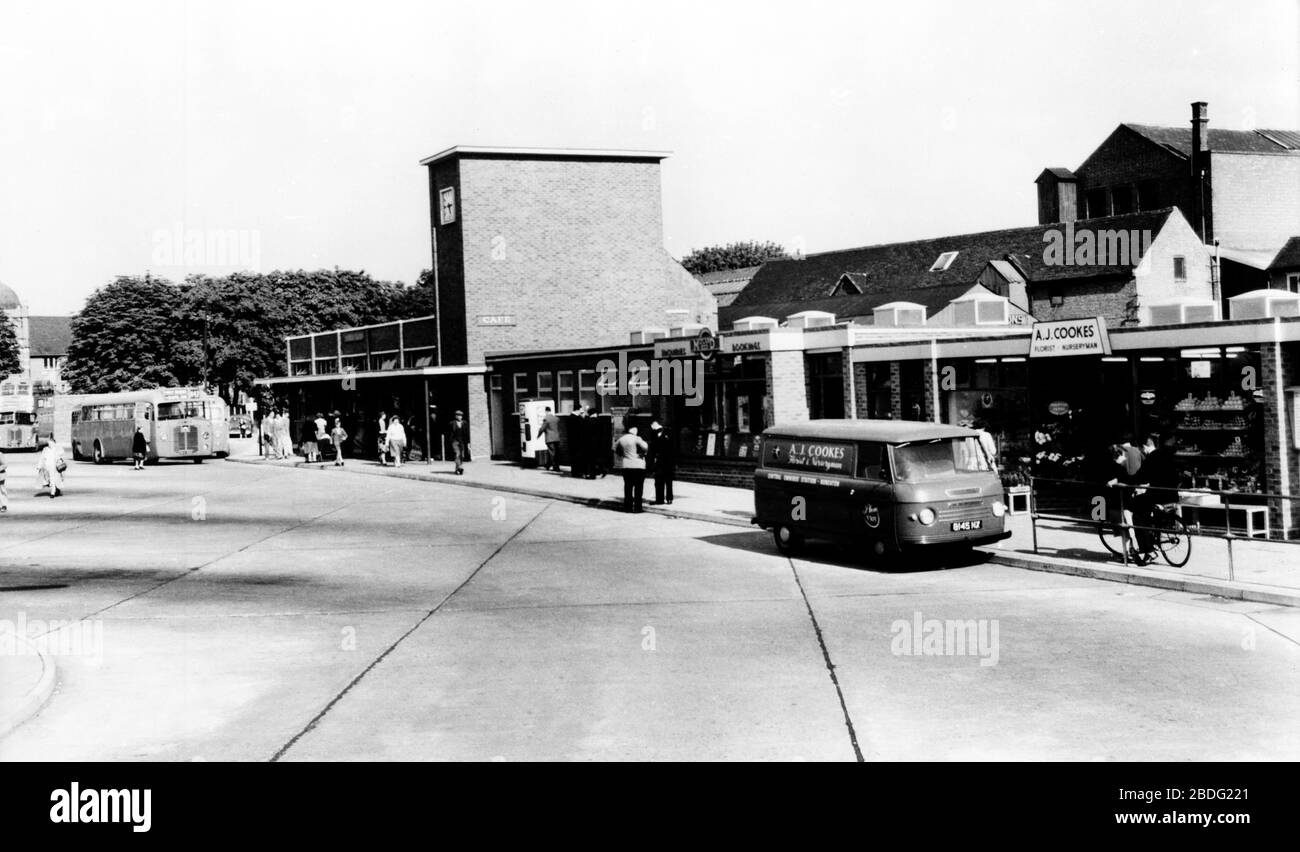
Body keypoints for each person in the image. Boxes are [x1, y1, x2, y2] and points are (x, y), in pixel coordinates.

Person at [1105, 443, 1146, 563]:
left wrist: (1115, 481)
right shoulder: (1124, 463)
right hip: (1128, 496)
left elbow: (1124, 479)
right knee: (1128, 527)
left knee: (1126, 528)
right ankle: (1129, 552)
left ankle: (1130, 553)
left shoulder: (1117, 465)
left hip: (1122, 499)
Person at [615, 425, 649, 513]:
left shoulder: (622, 439)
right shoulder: (637, 438)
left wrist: (623, 455)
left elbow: (615, 448)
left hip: (626, 465)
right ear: (635, 431)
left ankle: (628, 507)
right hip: (638, 465)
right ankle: (638, 508)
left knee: (628, 487)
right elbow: (645, 447)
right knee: (638, 488)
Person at [647, 420, 676, 505]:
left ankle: (660, 499)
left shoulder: (655, 434)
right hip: (669, 462)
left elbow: (653, 449)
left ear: (654, 424)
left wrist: (651, 462)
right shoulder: (669, 432)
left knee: (659, 481)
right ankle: (669, 498)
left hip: (660, 461)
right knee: (668, 481)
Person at [567, 407, 589, 478]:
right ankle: (578, 472)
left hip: (571, 441)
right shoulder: (577, 418)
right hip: (578, 441)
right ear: (578, 410)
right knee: (578, 457)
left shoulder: (569, 417)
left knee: (573, 457)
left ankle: (574, 472)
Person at [539, 406, 560, 472]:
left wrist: (538, 435)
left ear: (546, 411)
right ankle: (547, 465)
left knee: (552, 453)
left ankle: (556, 467)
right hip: (556, 438)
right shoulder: (556, 418)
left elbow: (542, 428)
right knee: (554, 452)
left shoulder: (546, 419)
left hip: (550, 438)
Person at [449, 410, 467, 475]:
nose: (460, 417)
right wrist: (450, 441)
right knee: (457, 454)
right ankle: (460, 467)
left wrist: (468, 443)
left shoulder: (464, 423)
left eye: (461, 416)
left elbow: (466, 433)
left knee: (462, 455)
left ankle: (457, 470)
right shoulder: (452, 423)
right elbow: (450, 433)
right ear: (455, 416)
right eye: (458, 415)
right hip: (455, 441)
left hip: (462, 441)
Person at [0, 447, 7, 512]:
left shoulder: (0, 454)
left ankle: (4, 505)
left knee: (2, 490)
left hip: (0, 475)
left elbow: (5, 465)